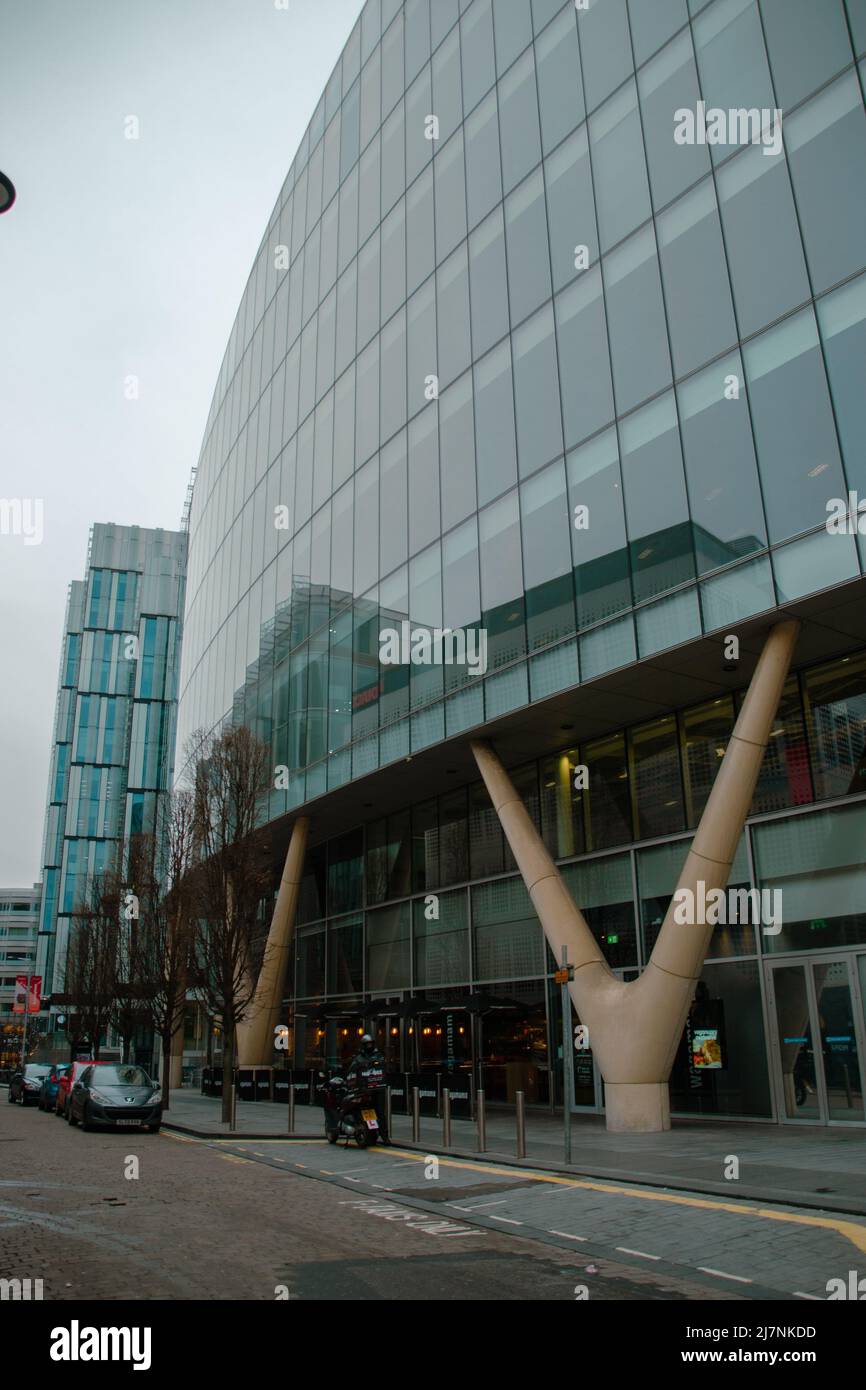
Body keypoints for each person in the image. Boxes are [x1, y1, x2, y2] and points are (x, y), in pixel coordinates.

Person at [347, 1033, 390, 1143]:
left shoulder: (378, 1055)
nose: (369, 1046)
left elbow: (383, 1064)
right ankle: (366, 1131)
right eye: (367, 1044)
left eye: (371, 1044)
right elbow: (352, 1069)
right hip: (365, 1089)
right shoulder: (359, 1057)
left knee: (380, 1112)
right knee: (364, 1110)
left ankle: (384, 1136)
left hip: (377, 1089)